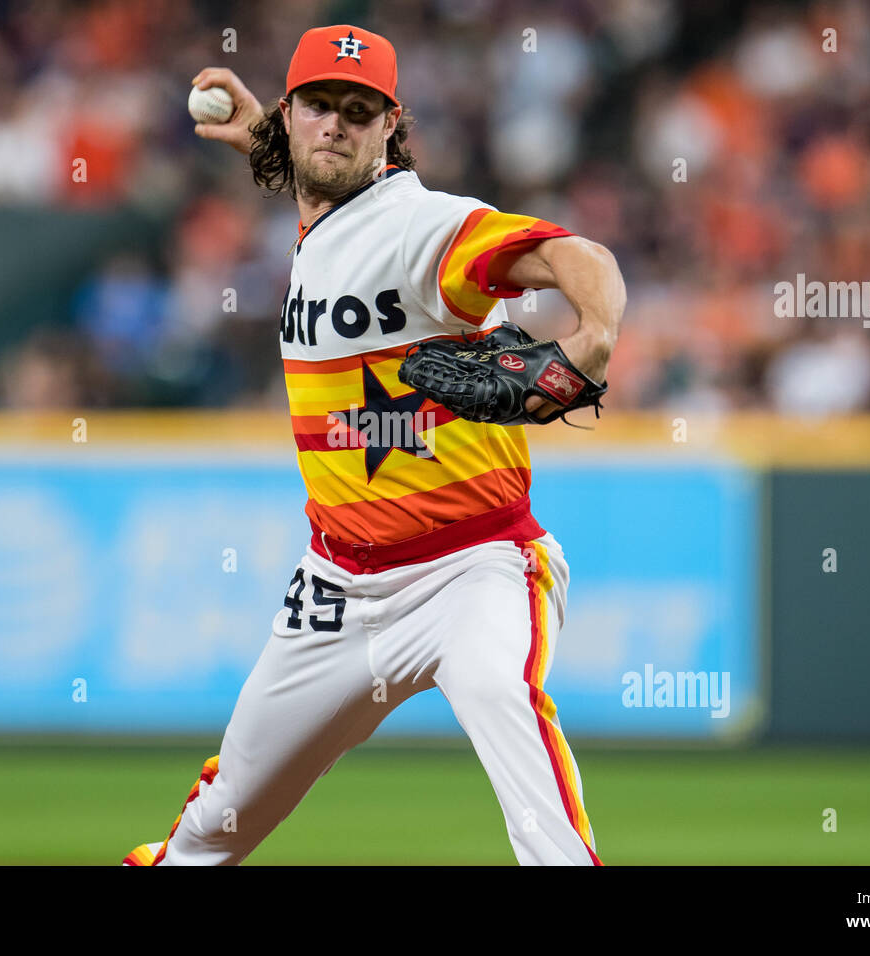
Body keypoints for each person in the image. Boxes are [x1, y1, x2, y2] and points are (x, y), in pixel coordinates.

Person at [124, 24, 625, 866]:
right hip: (337, 584)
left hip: (472, 565)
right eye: (319, 105)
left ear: (391, 128)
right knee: (216, 827)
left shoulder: (428, 225)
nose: (337, 124)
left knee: (503, 694)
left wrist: (596, 336)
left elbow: (578, 255)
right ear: (290, 114)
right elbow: (324, 183)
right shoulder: (328, 213)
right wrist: (260, 136)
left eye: (360, 111)